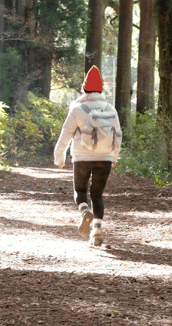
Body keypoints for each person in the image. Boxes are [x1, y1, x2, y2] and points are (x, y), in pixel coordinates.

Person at [53, 65, 122, 247]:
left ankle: (85, 213)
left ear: (84, 88)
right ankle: (97, 232)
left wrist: (59, 156)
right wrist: (114, 156)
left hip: (81, 157)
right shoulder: (111, 109)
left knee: (80, 192)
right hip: (105, 158)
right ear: (101, 89)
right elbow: (118, 135)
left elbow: (66, 134)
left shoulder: (77, 109)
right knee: (97, 195)